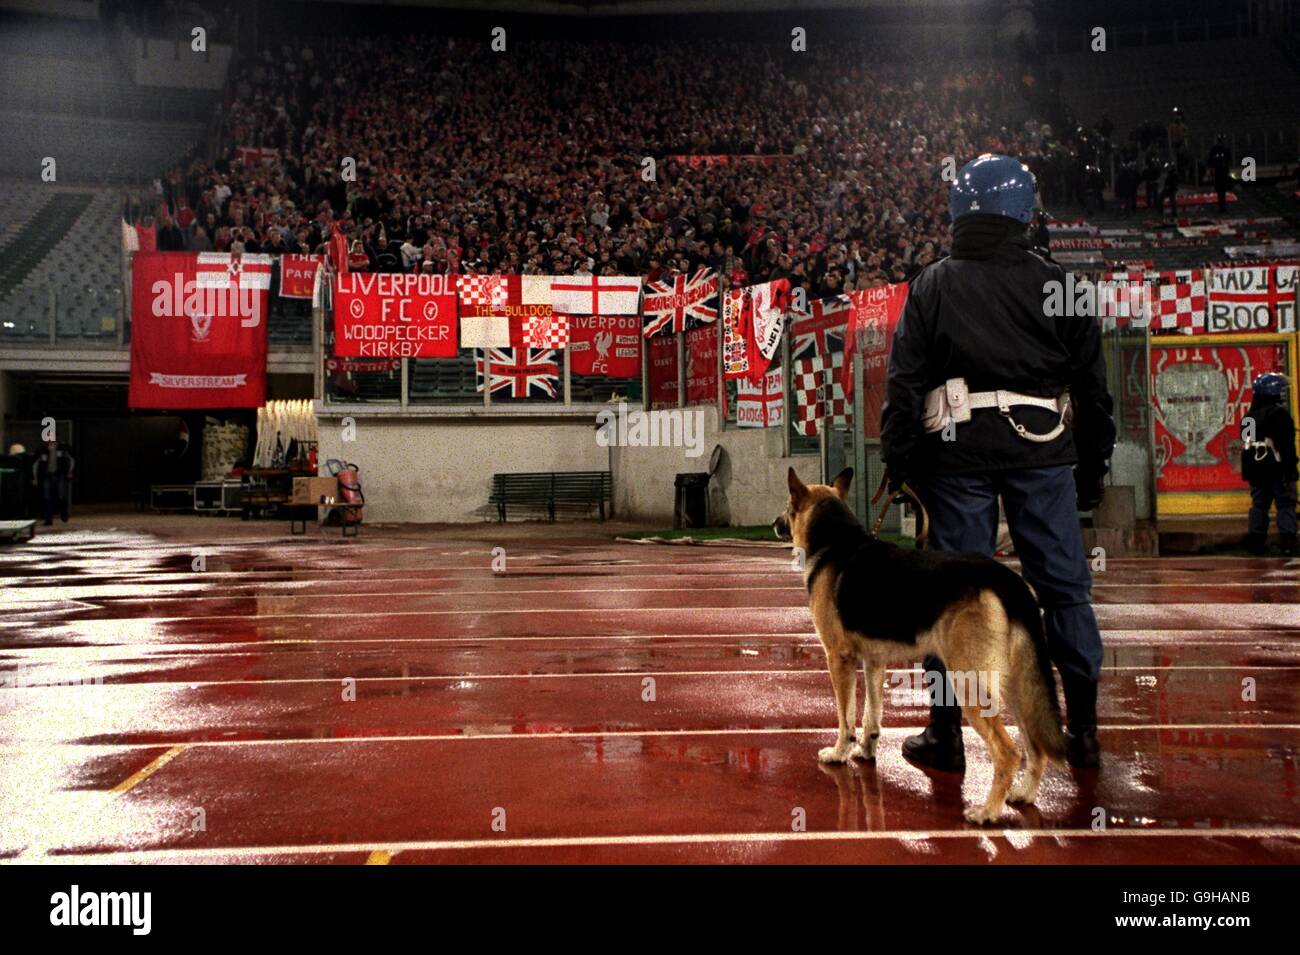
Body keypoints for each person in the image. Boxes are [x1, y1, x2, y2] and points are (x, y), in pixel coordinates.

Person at [881, 153, 1117, 772]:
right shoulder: (1063, 286)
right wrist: (1092, 467)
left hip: (956, 458)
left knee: (952, 596)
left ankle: (946, 736)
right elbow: (1094, 391)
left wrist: (899, 460)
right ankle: (1084, 733)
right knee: (1065, 588)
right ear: (1026, 212)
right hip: (1044, 456)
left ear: (959, 210)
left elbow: (904, 384)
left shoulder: (931, 285)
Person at [1240, 373, 1297, 556]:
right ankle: (1288, 543)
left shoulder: (1249, 417)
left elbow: (1246, 444)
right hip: (1276, 468)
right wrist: (1291, 471)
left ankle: (1255, 543)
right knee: (1285, 503)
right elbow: (1286, 446)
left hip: (1256, 470)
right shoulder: (1279, 415)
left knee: (1259, 505)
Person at [32, 438, 76, 525]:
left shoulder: (62, 448)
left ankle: (63, 512)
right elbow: (35, 464)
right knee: (47, 497)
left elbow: (72, 459)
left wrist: (70, 472)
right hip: (46, 476)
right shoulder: (41, 449)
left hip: (60, 475)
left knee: (61, 495)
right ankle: (48, 519)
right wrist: (35, 477)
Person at [1207, 135, 1233, 214]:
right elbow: (1229, 160)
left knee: (1220, 191)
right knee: (1222, 191)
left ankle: (1222, 207)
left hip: (1219, 172)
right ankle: (1222, 207)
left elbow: (1210, 161)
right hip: (1222, 172)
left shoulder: (1215, 149)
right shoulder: (1224, 149)